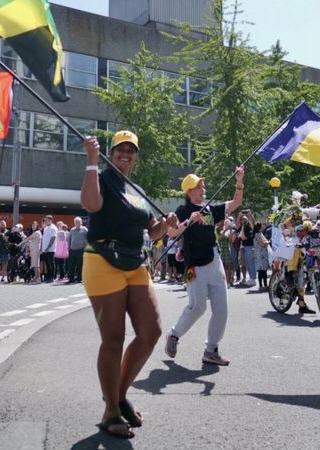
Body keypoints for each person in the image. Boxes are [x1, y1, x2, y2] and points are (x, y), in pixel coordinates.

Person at [80, 131, 177, 438]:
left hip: (135, 262)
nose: (125, 153)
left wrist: (168, 224)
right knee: (113, 337)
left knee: (151, 332)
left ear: (136, 156)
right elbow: (91, 205)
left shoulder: (137, 188)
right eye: (120, 149)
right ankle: (109, 411)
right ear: (111, 152)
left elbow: (154, 230)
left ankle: (118, 396)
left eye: (131, 149)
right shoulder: (103, 177)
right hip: (102, 260)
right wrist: (92, 162)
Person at [166, 166, 244, 366]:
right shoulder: (183, 210)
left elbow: (236, 202)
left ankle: (211, 350)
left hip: (214, 261)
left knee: (221, 309)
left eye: (203, 185)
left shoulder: (210, 208)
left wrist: (239, 181)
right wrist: (187, 222)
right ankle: (174, 335)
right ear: (190, 190)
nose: (204, 188)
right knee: (197, 307)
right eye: (200, 186)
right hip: (195, 267)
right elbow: (171, 233)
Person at [67, 217, 87, 283]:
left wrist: (85, 247)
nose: (76, 223)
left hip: (81, 250)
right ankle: (71, 279)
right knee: (71, 265)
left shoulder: (84, 229)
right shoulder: (72, 230)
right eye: (75, 222)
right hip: (72, 250)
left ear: (81, 222)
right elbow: (69, 239)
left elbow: (88, 238)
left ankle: (79, 279)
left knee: (79, 265)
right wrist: (69, 247)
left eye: (78, 222)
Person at [253, 222, 270, 290]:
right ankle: (261, 285)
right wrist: (268, 242)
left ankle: (265, 285)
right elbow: (262, 244)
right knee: (261, 271)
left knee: (264, 271)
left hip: (263, 254)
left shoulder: (260, 233)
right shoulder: (257, 234)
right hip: (260, 254)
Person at [40, 215, 57, 282]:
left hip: (50, 249)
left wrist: (48, 247)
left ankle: (52, 277)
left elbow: (53, 238)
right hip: (45, 250)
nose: (45, 221)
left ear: (50, 220)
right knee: (47, 264)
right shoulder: (46, 228)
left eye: (46, 220)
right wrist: (43, 248)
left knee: (51, 264)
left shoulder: (53, 228)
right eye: (45, 220)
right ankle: (48, 277)